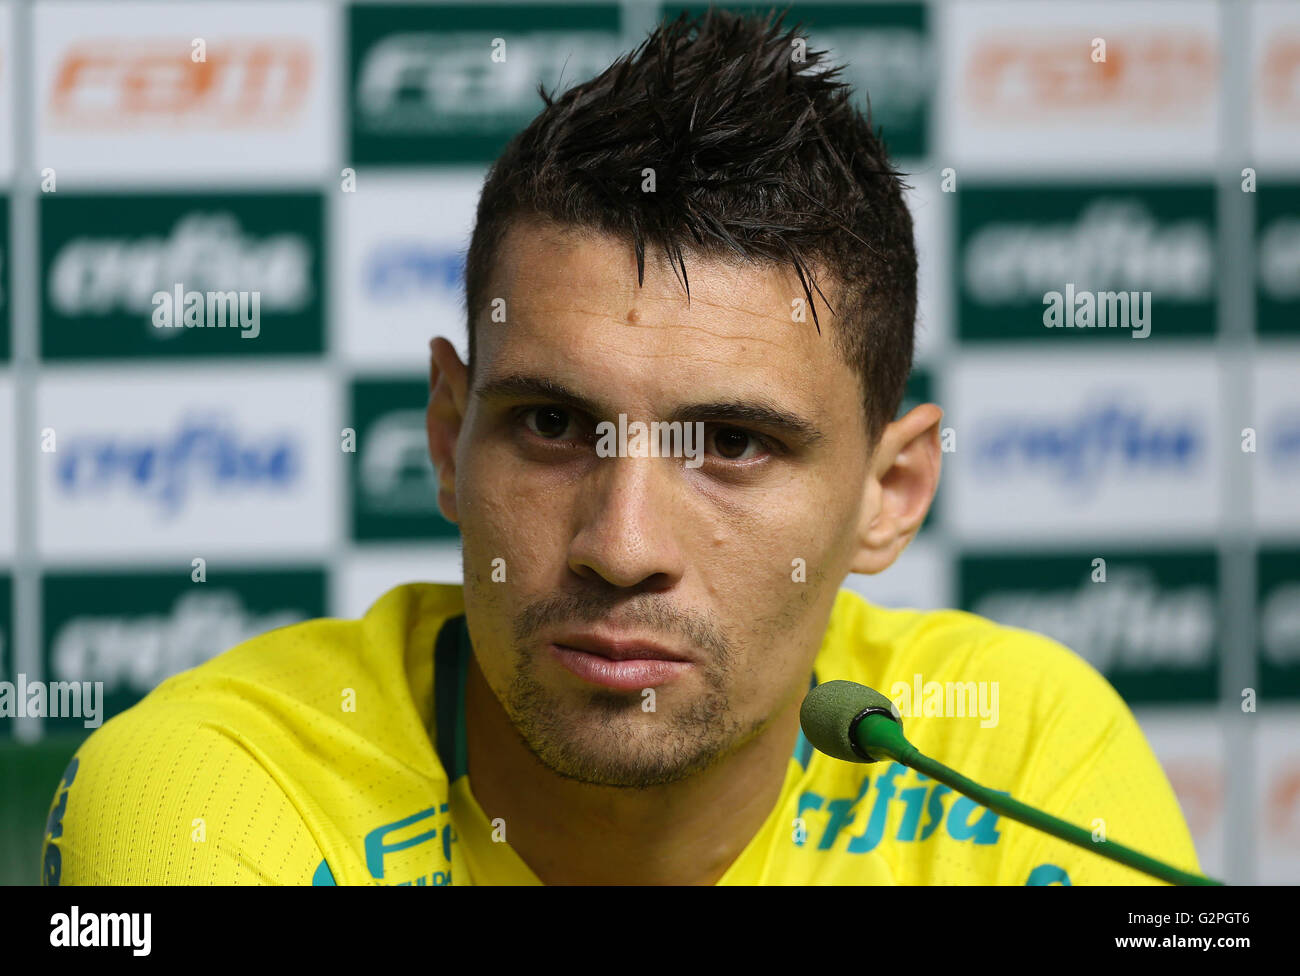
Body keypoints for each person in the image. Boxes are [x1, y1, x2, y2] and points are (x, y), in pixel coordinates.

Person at [42, 9, 1199, 886]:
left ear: (888, 493)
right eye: (551, 424)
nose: (622, 546)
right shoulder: (205, 790)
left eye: (734, 443)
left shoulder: (1018, 752)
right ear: (450, 438)